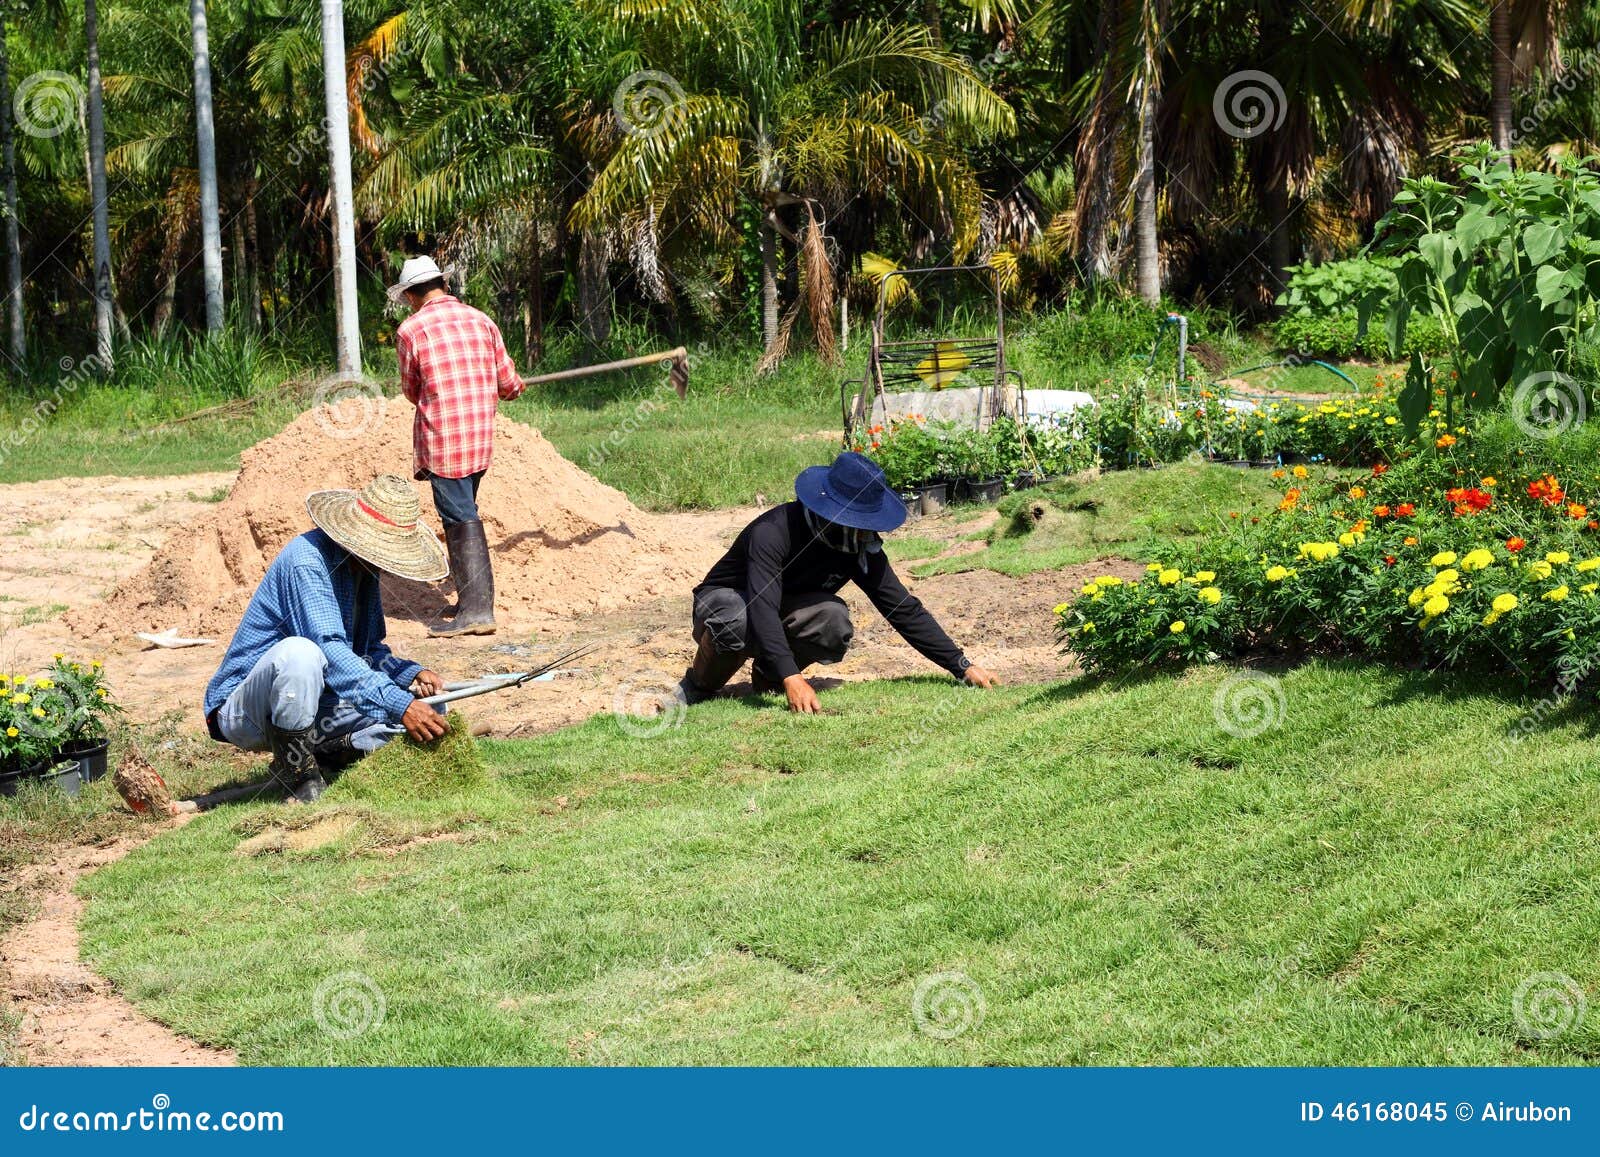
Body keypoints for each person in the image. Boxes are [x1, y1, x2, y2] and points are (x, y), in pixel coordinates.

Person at [681, 451, 999, 713]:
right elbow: (762, 606)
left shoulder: (856, 546)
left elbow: (902, 608)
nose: (865, 531)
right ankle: (701, 686)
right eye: (858, 522)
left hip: (781, 608)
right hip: (728, 600)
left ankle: (769, 677)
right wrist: (793, 674)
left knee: (832, 617)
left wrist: (960, 665)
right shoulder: (774, 531)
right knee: (736, 616)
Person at [203, 475, 452, 803]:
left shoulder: (364, 569)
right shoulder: (307, 562)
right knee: (301, 654)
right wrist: (399, 703)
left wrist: (408, 673)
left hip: (318, 705)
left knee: (434, 713)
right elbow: (330, 652)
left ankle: (323, 752)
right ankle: (300, 776)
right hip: (247, 710)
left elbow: (368, 650)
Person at [391, 254, 525, 636]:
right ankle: (472, 603)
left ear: (412, 297)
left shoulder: (411, 331)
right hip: (479, 438)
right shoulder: (481, 320)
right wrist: (516, 387)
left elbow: (411, 391)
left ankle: (478, 611)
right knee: (465, 509)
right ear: (443, 285)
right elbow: (507, 382)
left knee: (459, 517)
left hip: (444, 441)